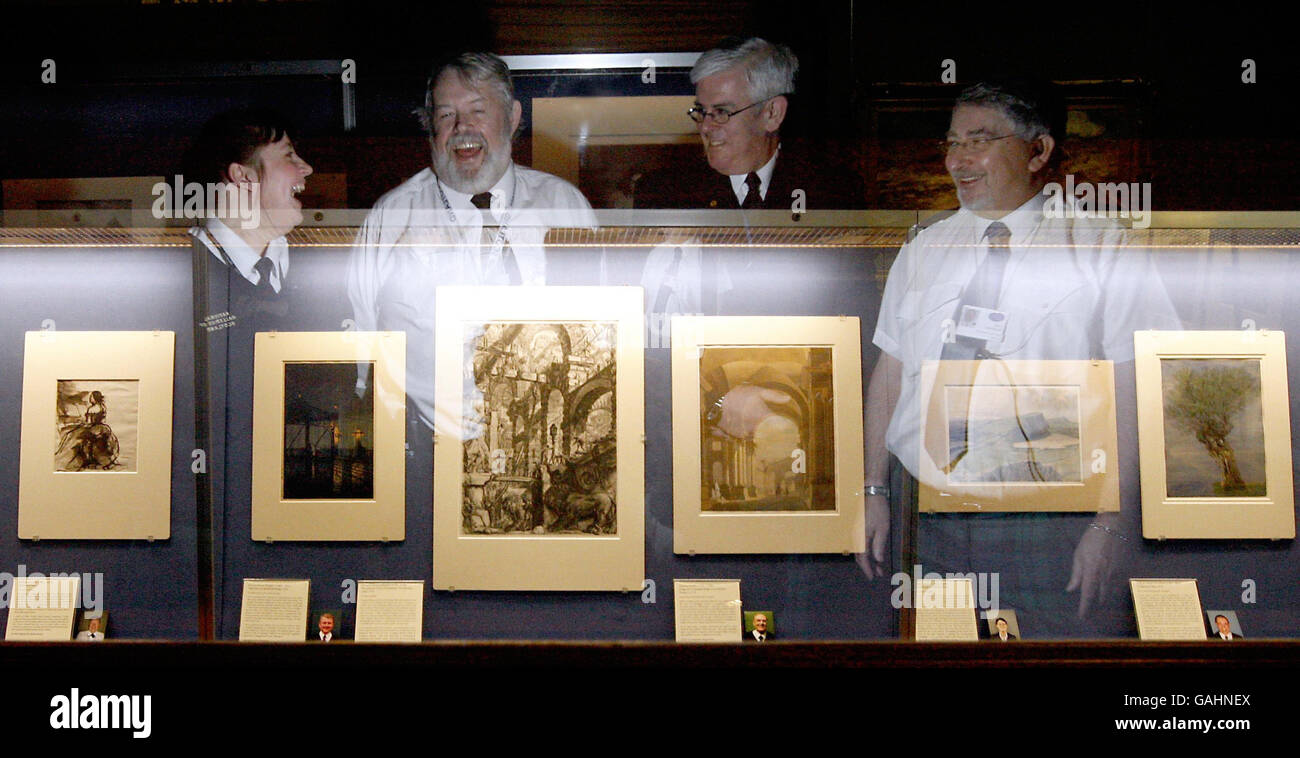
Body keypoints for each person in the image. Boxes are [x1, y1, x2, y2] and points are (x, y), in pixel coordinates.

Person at [859, 80, 1180, 634]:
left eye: (978, 141)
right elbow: (890, 373)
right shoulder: (924, 249)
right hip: (926, 507)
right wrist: (872, 491)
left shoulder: (1103, 247)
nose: (959, 159)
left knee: (1051, 650)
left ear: (1039, 150)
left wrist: (1112, 520)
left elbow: (1140, 389)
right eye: (952, 142)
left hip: (1050, 512)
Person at [347, 52, 597, 431]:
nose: (463, 127)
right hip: (421, 438)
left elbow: (601, 329)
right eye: (447, 115)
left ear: (512, 118)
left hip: (535, 440)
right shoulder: (392, 217)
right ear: (431, 126)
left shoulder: (563, 206)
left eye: (478, 111)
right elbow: (359, 344)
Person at [634, 37, 865, 211]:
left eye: (721, 112)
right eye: (701, 111)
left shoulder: (833, 193)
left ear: (772, 113)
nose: (705, 127)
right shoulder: (663, 195)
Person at [186, 108, 314, 332]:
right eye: (288, 155)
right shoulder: (180, 271)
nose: (307, 169)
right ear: (243, 177)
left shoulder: (319, 262)